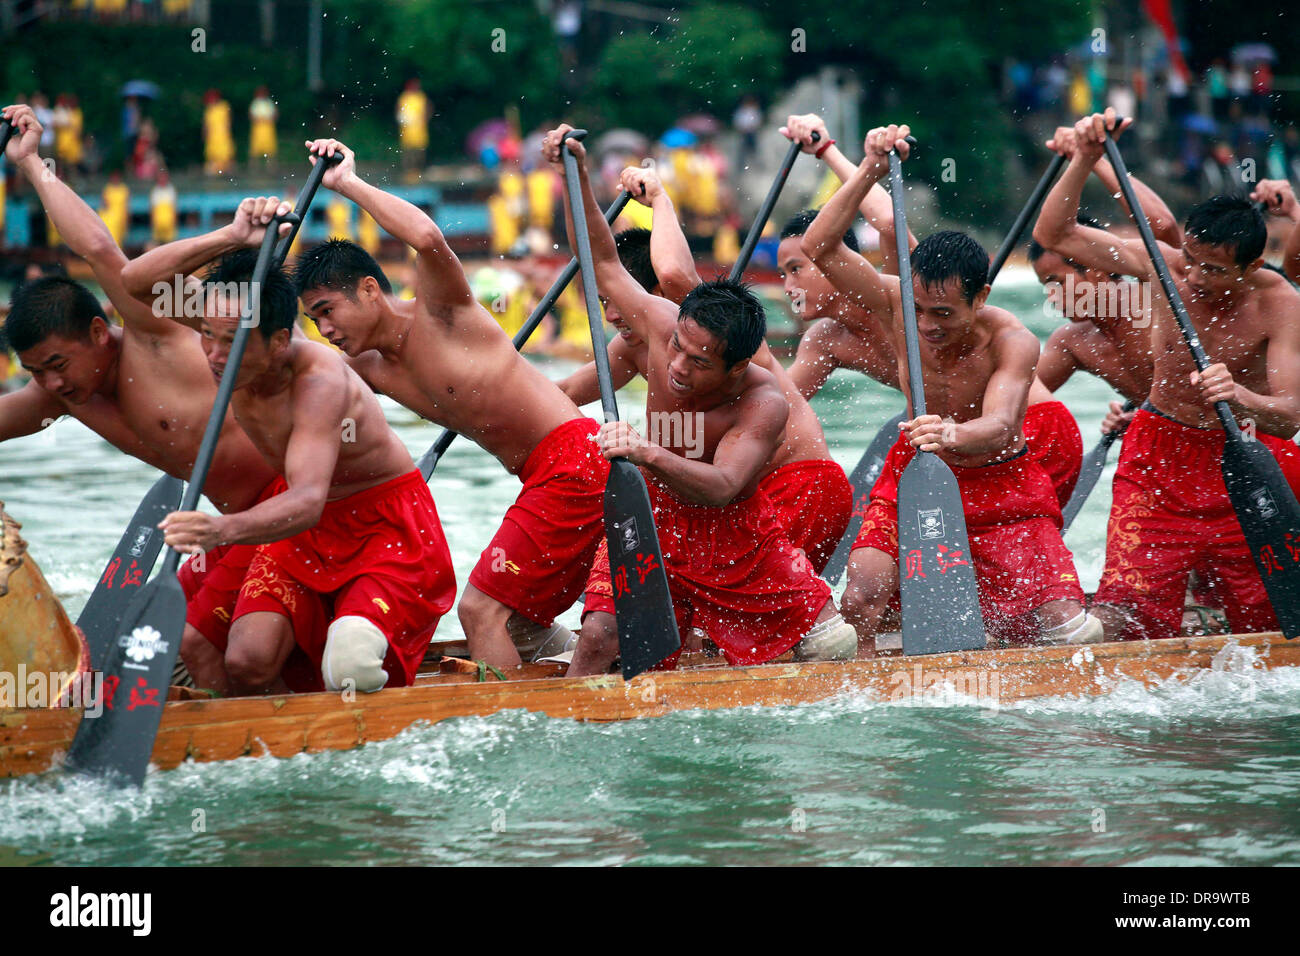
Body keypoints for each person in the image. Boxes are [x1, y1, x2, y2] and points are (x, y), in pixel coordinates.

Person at [545, 123, 857, 676]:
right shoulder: (658, 324)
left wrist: (644, 452)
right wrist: (576, 173)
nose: (678, 368)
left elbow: (724, 487)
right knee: (599, 634)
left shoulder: (762, 397)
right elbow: (599, 259)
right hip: (660, 507)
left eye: (699, 362)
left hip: (734, 518)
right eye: (676, 350)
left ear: (738, 365)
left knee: (804, 652)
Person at [292, 138, 609, 672]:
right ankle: (568, 683)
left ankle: (504, 734)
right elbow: (288, 372)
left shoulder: (440, 312)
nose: (324, 331)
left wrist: (346, 183)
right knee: (519, 628)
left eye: (328, 311)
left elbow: (427, 236)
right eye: (314, 320)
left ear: (370, 290)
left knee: (479, 612)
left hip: (575, 460)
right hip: (541, 477)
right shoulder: (368, 369)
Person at [0, 105, 279, 688]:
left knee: (193, 647)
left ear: (98, 333)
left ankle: (249, 735)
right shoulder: (61, 397)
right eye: (34, 373)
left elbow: (100, 250)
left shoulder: (155, 327)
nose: (50, 383)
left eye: (56, 364)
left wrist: (31, 164)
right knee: (139, 649)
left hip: (289, 503)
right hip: (229, 528)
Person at [123, 212, 456, 697]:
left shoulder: (318, 382)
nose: (215, 355)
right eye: (206, 336)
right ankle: (267, 750)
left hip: (381, 523)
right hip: (303, 528)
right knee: (245, 659)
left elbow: (305, 501)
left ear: (280, 342)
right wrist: (232, 236)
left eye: (231, 343)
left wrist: (222, 530)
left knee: (351, 668)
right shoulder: (229, 321)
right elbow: (137, 281)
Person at [803, 123, 1098, 651]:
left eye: (944, 313)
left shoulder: (1012, 339)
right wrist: (869, 165)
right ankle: (870, 706)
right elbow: (820, 246)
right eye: (919, 311)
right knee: (861, 599)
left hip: (1000, 478)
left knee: (1061, 628)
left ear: (980, 298)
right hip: (913, 470)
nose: (927, 326)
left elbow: (1003, 423)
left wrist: (950, 434)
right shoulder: (896, 303)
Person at [1034, 110, 1300, 642]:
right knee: (1127, 614)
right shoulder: (1165, 265)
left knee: (1264, 620)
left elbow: (1291, 417)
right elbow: (1053, 232)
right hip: (1156, 458)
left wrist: (1242, 396)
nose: (1196, 278)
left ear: (1251, 268)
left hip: (1240, 459)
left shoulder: (1279, 303)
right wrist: (1085, 156)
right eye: (1194, 261)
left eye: (1215, 271)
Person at [782, 113, 1083, 508]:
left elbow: (890, 220)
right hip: (947, 440)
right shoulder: (824, 342)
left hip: (1029, 428)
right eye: (782, 273)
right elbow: (775, 404)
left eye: (795, 269)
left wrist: (827, 151)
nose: (788, 286)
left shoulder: (909, 292)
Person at [396, 79, 429, 181]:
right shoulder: (404, 97)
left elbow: (427, 110)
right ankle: (408, 173)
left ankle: (418, 172)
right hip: (407, 131)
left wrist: (423, 119)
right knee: (407, 152)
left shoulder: (420, 97)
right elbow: (399, 111)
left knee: (419, 152)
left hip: (419, 130)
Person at [202, 89, 234, 176]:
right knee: (212, 157)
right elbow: (206, 125)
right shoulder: (208, 110)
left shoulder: (223, 106)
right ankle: (214, 174)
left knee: (226, 156)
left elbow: (228, 121)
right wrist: (205, 135)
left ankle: (228, 174)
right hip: (212, 138)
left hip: (223, 136)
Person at [248, 87, 278, 167]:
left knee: (270, 150)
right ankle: (254, 168)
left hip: (268, 129)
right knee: (255, 151)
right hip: (258, 129)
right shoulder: (255, 103)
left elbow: (275, 115)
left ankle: (271, 168)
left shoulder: (269, 103)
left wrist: (267, 120)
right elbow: (251, 116)